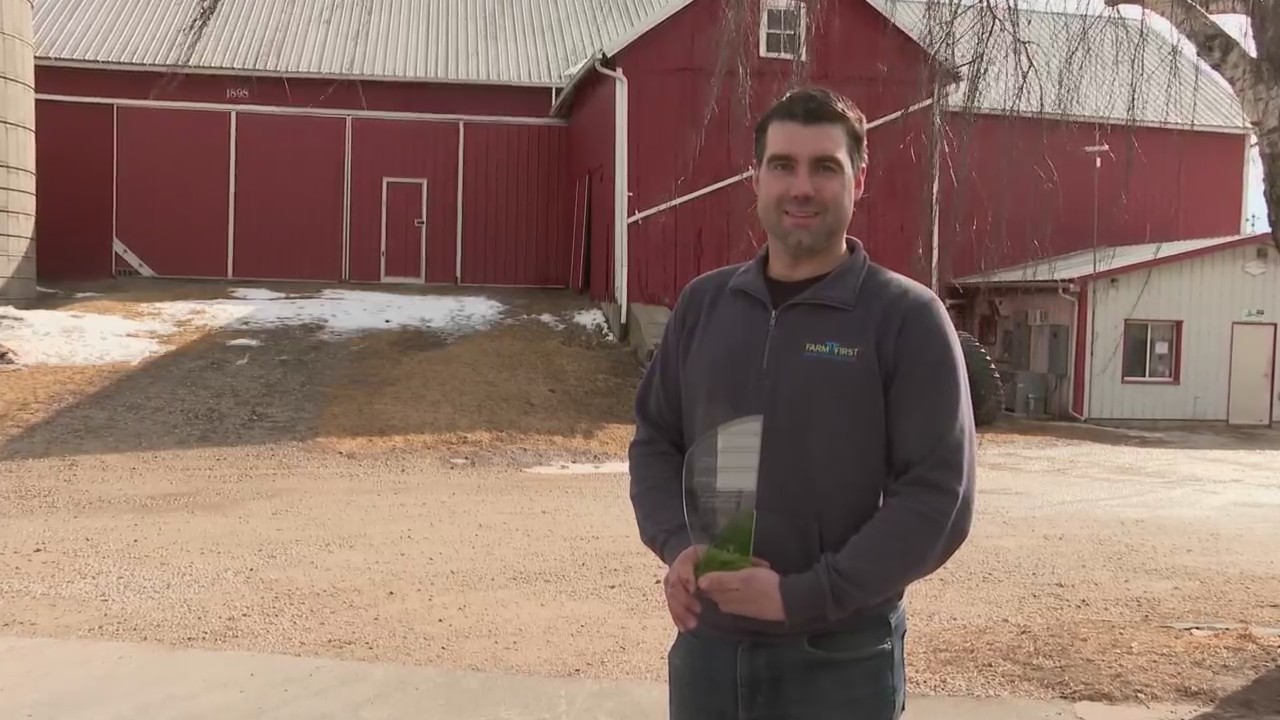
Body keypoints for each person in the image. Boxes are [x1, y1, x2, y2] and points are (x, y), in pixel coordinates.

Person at [627, 86, 977, 719]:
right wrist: (678, 543)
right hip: (711, 648)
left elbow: (937, 496)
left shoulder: (903, 319)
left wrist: (803, 595)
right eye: (783, 165)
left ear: (859, 179)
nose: (802, 187)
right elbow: (657, 440)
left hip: (838, 658)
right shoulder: (707, 307)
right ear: (754, 178)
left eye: (825, 167)